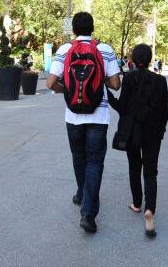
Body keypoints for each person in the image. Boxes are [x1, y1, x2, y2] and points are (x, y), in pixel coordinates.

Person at [47, 12, 122, 234]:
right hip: (98, 116)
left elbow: (51, 83)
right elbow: (116, 84)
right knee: (95, 161)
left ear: (74, 29)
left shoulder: (64, 50)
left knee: (79, 157)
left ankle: (81, 193)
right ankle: (88, 213)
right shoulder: (105, 49)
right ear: (93, 28)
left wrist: (68, 89)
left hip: (73, 116)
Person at [109, 43, 168, 238]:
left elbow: (122, 107)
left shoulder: (129, 79)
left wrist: (108, 95)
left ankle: (136, 203)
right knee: (151, 171)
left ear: (132, 60)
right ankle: (149, 210)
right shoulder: (161, 81)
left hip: (133, 132)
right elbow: (164, 111)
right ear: (151, 60)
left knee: (134, 167)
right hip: (153, 133)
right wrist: (161, 131)